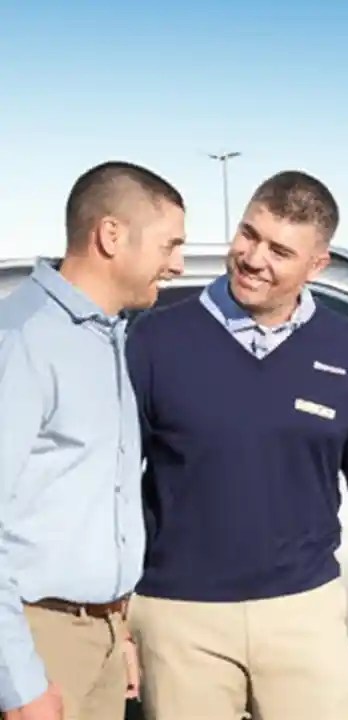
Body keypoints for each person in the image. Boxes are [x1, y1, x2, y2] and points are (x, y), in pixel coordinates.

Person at [124, 170, 348, 719]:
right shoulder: (154, 339)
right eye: (249, 234)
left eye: (280, 250)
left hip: (303, 615)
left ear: (317, 266)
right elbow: (113, 484)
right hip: (177, 620)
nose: (253, 257)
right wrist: (116, 615)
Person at [0, 161, 186, 720]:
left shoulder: (108, 338)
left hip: (98, 638)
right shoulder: (25, 340)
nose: (176, 263)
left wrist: (115, 629)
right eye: (169, 244)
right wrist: (20, 683)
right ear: (110, 235)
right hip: (39, 642)